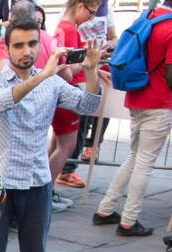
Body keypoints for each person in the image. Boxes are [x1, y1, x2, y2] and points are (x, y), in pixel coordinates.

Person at [0, 21, 102, 252]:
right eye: (19, 45)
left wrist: (90, 70)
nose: (27, 51)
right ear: (8, 48)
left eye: (32, 44)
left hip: (37, 181)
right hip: (2, 184)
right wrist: (44, 75)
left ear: (40, 45)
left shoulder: (51, 82)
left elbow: (89, 104)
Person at [90, 0, 172, 235]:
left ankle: (105, 209)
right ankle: (129, 220)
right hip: (159, 101)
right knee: (144, 162)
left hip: (137, 97)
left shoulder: (145, 18)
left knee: (134, 157)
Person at [47, 0, 102, 208]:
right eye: (91, 11)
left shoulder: (65, 28)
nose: (91, 16)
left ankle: (46, 191)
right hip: (67, 94)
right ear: (80, 6)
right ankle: (47, 192)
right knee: (66, 145)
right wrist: (89, 65)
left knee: (57, 144)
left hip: (64, 94)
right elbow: (67, 68)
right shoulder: (67, 30)